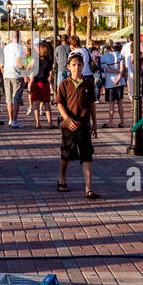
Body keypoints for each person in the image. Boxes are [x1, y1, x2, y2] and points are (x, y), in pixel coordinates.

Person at [55, 53, 98, 199]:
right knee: (66, 153)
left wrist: (94, 123)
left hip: (84, 124)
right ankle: (62, 177)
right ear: (68, 66)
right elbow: (59, 103)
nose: (77, 67)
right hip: (69, 125)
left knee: (87, 155)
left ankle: (88, 187)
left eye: (79, 64)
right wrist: (66, 119)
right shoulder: (64, 84)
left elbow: (92, 104)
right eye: (73, 64)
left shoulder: (88, 83)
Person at [2, 30, 28, 128]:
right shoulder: (19, 47)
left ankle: (10, 119)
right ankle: (14, 120)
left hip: (7, 73)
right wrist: (25, 71)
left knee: (9, 99)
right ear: (19, 37)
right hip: (16, 74)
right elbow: (18, 62)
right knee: (16, 99)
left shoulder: (6, 47)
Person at [30, 40, 56, 128]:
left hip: (36, 82)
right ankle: (50, 123)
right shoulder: (49, 61)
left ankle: (37, 123)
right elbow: (51, 70)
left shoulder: (35, 60)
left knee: (36, 104)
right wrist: (50, 75)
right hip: (44, 83)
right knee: (46, 104)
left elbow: (28, 67)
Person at [100, 39, 126, 127]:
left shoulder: (104, 57)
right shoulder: (119, 55)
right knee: (120, 103)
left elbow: (107, 70)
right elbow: (122, 69)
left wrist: (113, 71)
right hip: (120, 82)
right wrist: (118, 76)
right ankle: (122, 122)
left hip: (110, 82)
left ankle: (110, 122)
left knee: (111, 103)